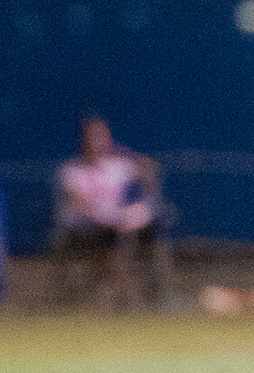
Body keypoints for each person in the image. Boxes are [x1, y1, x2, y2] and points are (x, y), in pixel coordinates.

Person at [52, 115, 170, 310]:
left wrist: (144, 201)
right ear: (83, 141)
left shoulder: (117, 165)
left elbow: (150, 169)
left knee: (153, 228)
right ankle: (125, 298)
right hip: (84, 230)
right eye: (93, 137)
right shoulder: (73, 171)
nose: (98, 142)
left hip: (118, 225)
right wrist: (112, 217)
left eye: (102, 136)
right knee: (113, 236)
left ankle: (161, 294)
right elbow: (82, 206)